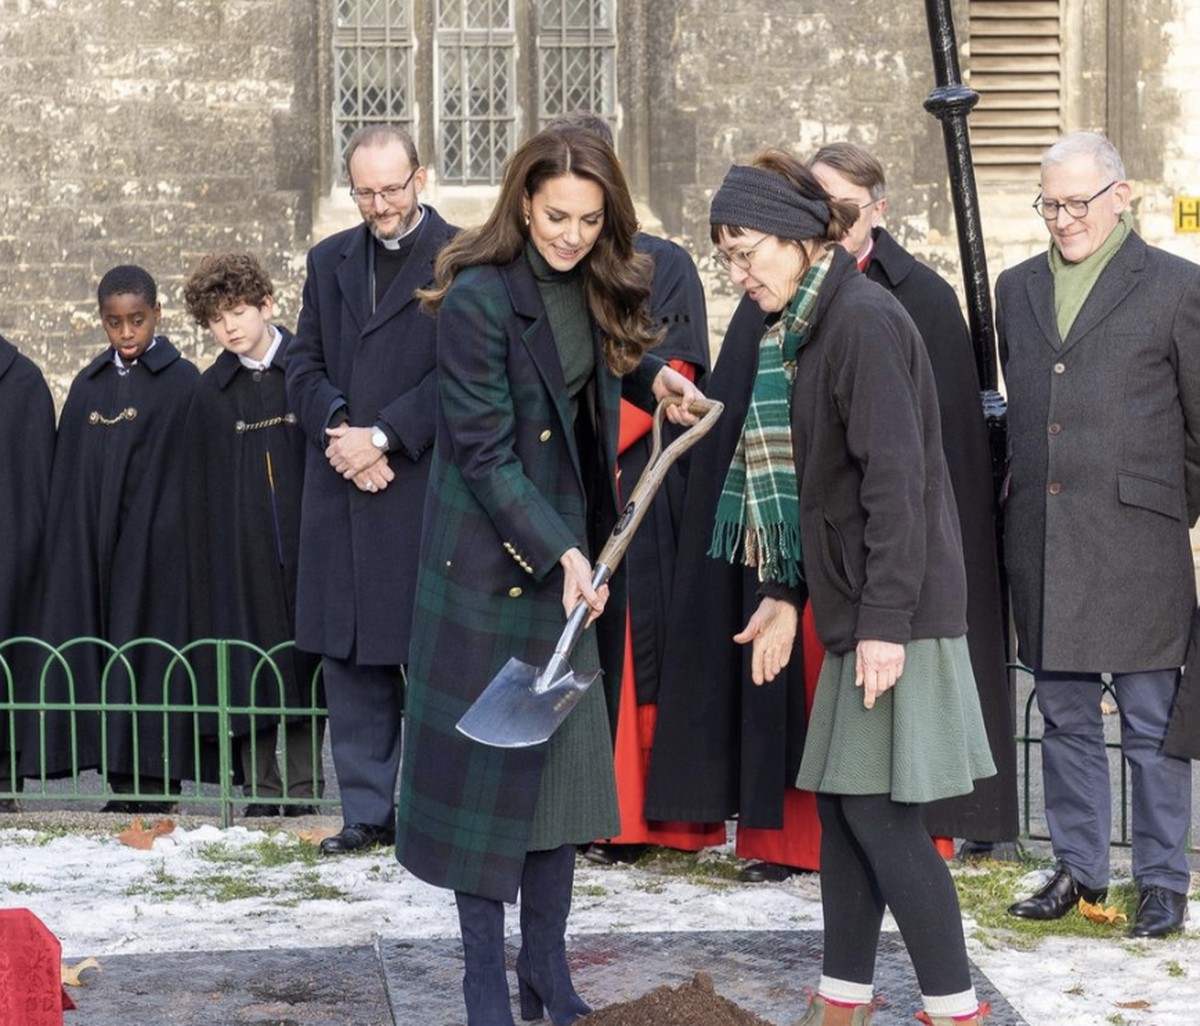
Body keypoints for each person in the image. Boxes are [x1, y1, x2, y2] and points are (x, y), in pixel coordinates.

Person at [668, 152, 994, 1026]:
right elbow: (821, 490)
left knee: (883, 821)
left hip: (899, 615)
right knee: (852, 817)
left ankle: (955, 1012)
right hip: (863, 609)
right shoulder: (807, 328)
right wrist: (783, 593)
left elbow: (899, 484)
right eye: (727, 259)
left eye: (749, 252)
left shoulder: (860, 321)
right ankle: (840, 1003)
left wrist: (884, 621)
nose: (739, 275)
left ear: (804, 237)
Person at [394, 125, 701, 1026]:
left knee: (560, 786)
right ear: (524, 203)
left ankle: (548, 976)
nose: (570, 233)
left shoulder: (596, 281)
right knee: (486, 795)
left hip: (575, 557)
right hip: (494, 566)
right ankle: (484, 981)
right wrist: (560, 550)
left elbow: (596, 361)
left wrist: (657, 386)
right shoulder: (476, 298)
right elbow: (486, 456)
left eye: (589, 218)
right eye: (556, 214)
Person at [1000, 131, 1198, 939]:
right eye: (1049, 203)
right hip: (1045, 536)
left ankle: (1161, 879)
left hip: (1141, 539)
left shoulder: (1178, 287)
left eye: (1077, 201)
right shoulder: (1016, 288)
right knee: (1066, 716)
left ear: (1121, 196)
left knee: (1152, 723)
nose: (1062, 218)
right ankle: (1080, 869)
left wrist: (1165, 506)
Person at [809, 142, 1018, 859]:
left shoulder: (917, 298)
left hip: (904, 551)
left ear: (878, 210)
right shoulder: (796, 298)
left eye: (842, 208)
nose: (830, 222)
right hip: (835, 553)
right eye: (818, 207)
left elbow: (935, 453)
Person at [542, 110, 724, 867]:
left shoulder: (664, 263)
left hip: (639, 479)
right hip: (559, 483)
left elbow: (676, 375)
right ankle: (575, 805)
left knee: (638, 646)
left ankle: (638, 819)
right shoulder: (544, 269)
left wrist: (588, 431)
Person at [286, 125, 456, 854]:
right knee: (353, 660)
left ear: (421, 177)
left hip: (419, 484)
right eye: (365, 192)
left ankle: (437, 809)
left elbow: (464, 374)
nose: (380, 206)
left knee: (433, 656)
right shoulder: (328, 261)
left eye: (392, 189)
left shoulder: (465, 259)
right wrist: (339, 431)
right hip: (343, 483)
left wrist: (382, 437)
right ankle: (364, 811)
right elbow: (303, 361)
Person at [24, 265, 200, 812]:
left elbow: (187, 470)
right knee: (104, 659)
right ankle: (120, 786)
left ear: (157, 315)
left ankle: (158, 786)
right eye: (114, 323)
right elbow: (70, 471)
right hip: (93, 553)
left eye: (137, 320)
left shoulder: (182, 383)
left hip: (158, 555)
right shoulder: (89, 385)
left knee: (150, 659)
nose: (127, 333)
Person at [182, 252, 325, 819]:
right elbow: (200, 487)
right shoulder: (210, 394)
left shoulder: (308, 372)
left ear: (267, 305)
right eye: (217, 320)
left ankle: (306, 787)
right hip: (242, 559)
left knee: (306, 666)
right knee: (251, 667)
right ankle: (261, 791)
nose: (230, 328)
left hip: (308, 552)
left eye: (238, 312)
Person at [0, 334, 55, 811]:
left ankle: (4, 778)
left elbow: (37, 479)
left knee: (10, 660)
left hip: (10, 553)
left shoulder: (23, 382)